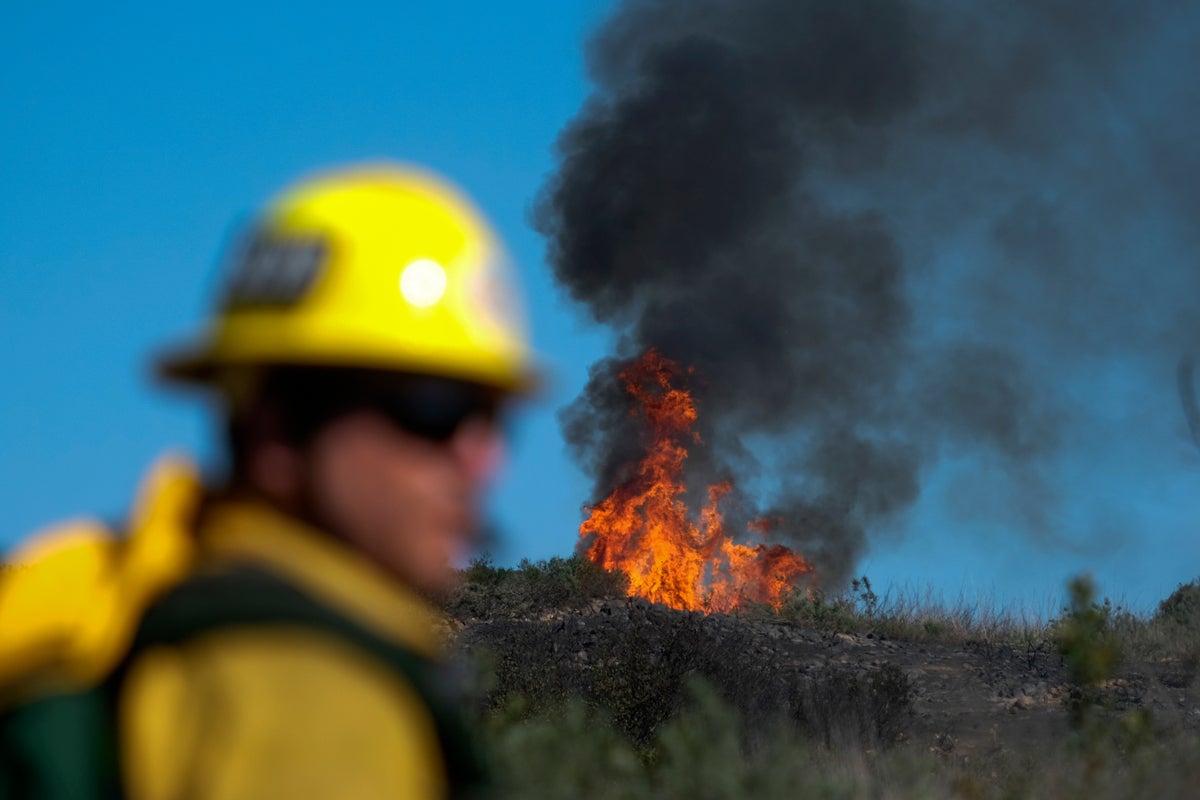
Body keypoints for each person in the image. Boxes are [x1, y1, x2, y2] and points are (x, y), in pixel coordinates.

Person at [1, 163, 536, 799]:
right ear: (277, 427)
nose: (482, 459)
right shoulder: (319, 699)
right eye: (434, 408)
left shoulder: (133, 617)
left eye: (491, 416)